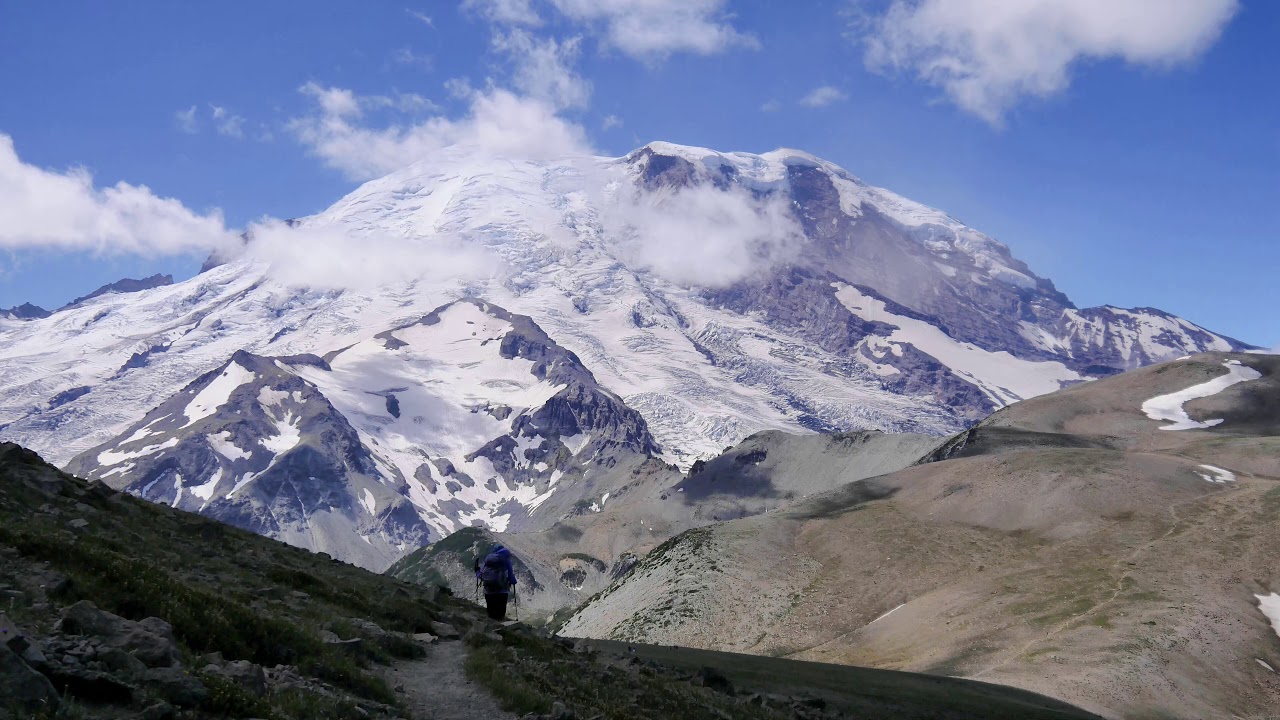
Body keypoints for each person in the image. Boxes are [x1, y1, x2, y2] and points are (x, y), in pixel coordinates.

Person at [475, 544, 517, 620]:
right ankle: (501, 625)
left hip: (488, 591)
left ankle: (491, 626)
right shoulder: (506, 559)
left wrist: (477, 571)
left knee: (491, 614)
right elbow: (511, 576)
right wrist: (513, 581)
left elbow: (481, 574)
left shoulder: (488, 559)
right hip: (502, 591)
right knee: (500, 614)